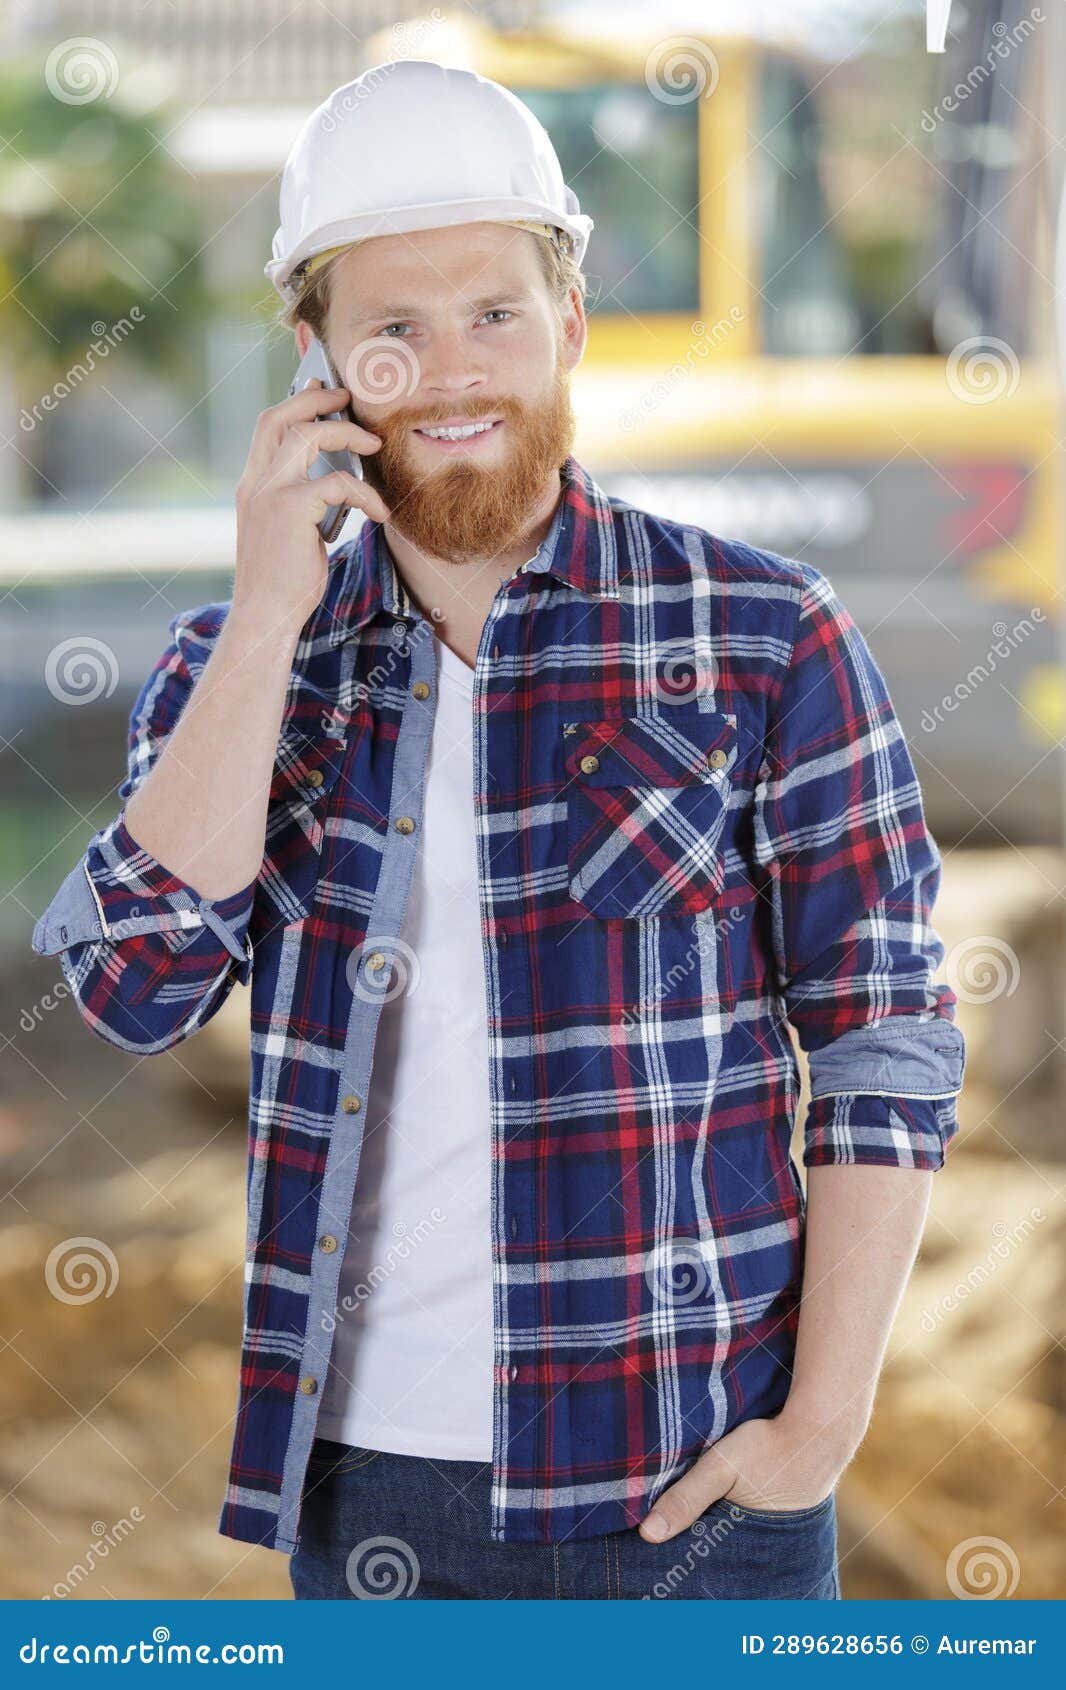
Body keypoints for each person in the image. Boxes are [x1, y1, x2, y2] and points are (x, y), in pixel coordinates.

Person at [30, 60, 966, 1601]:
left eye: (494, 314)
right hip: (364, 1496)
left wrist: (820, 1420)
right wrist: (272, 605)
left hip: (692, 1486)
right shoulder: (239, 667)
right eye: (391, 329)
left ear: (572, 325)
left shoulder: (764, 635)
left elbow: (883, 1033)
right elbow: (135, 987)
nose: (452, 369)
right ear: (318, 362)